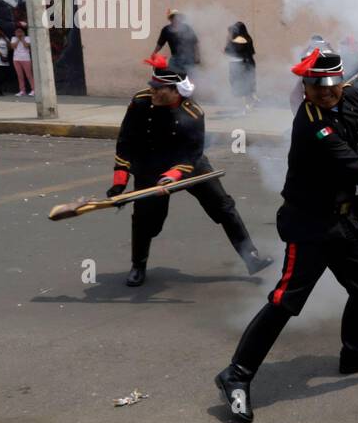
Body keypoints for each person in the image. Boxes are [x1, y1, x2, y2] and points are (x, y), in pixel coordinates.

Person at [214, 48, 358, 423]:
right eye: (316, 86)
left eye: (331, 84)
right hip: (310, 224)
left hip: (344, 220)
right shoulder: (311, 123)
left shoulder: (351, 96)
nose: (326, 92)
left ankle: (355, 353)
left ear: (341, 81)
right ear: (305, 87)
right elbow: (353, 166)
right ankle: (235, 375)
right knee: (286, 301)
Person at [109, 55, 272, 288]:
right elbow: (126, 140)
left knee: (224, 208)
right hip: (149, 165)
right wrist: (120, 180)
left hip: (188, 166)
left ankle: (251, 258)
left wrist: (171, 177)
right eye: (152, 86)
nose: (152, 92)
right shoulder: (141, 102)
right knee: (147, 220)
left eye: (159, 89)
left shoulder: (193, 113)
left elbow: (191, 154)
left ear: (175, 91)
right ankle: (138, 265)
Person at [152, 9, 201, 77]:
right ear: (170, 19)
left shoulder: (187, 28)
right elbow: (160, 43)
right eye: (173, 17)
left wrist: (197, 55)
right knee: (172, 75)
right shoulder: (166, 30)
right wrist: (154, 53)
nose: (175, 19)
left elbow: (195, 42)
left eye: (177, 17)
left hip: (189, 58)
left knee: (191, 76)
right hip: (175, 58)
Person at [224, 21, 256, 115]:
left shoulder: (238, 40)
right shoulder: (248, 38)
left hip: (240, 65)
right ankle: (249, 105)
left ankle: (244, 108)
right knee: (247, 86)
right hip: (247, 64)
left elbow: (228, 50)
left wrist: (228, 38)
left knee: (241, 87)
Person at [11, 21, 34, 97]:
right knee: (19, 75)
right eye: (17, 32)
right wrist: (18, 39)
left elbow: (26, 46)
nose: (19, 33)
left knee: (29, 75)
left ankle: (33, 89)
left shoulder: (28, 38)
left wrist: (23, 38)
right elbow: (13, 47)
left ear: (23, 32)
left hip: (26, 59)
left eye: (20, 31)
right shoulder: (13, 38)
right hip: (16, 59)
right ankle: (22, 90)